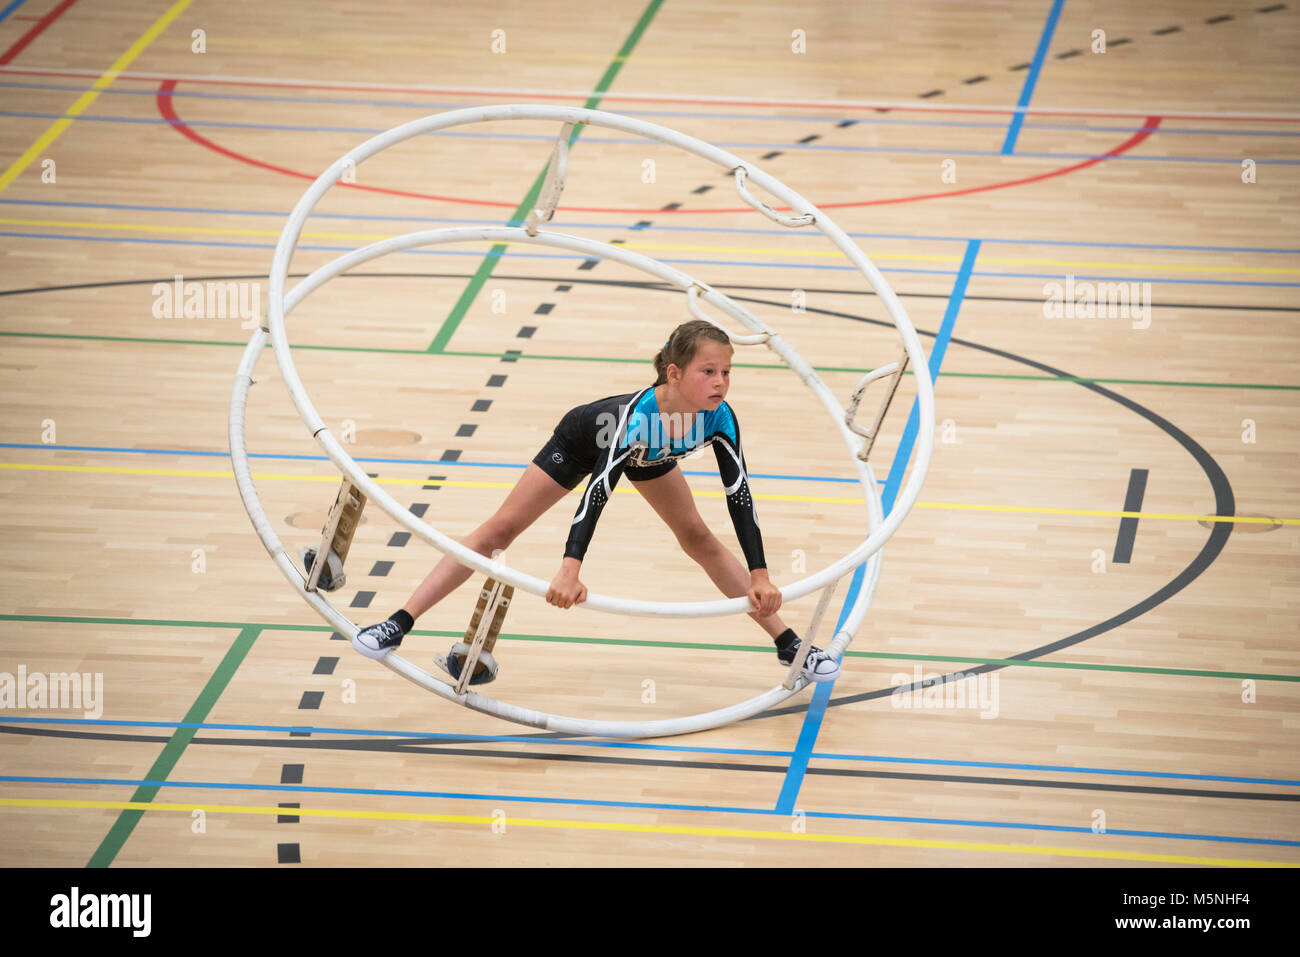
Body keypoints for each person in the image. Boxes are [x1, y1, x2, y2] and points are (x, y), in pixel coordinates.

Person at [351, 318, 840, 684]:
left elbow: (741, 498)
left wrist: (760, 573)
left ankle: (788, 643)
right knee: (499, 532)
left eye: (727, 372)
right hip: (584, 443)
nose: (720, 382)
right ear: (673, 373)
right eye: (708, 371)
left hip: (652, 456)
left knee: (698, 537)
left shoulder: (720, 417)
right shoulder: (634, 417)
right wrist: (569, 568)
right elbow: (599, 491)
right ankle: (398, 622)